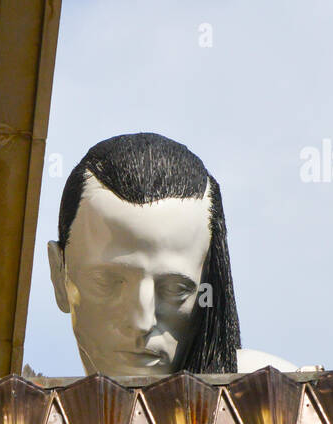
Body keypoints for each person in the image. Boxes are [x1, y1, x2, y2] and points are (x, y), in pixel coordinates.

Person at [48, 132, 296, 377]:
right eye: (107, 281)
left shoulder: (271, 399)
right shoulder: (25, 414)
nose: (142, 322)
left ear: (208, 286)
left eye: (175, 289)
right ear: (60, 277)